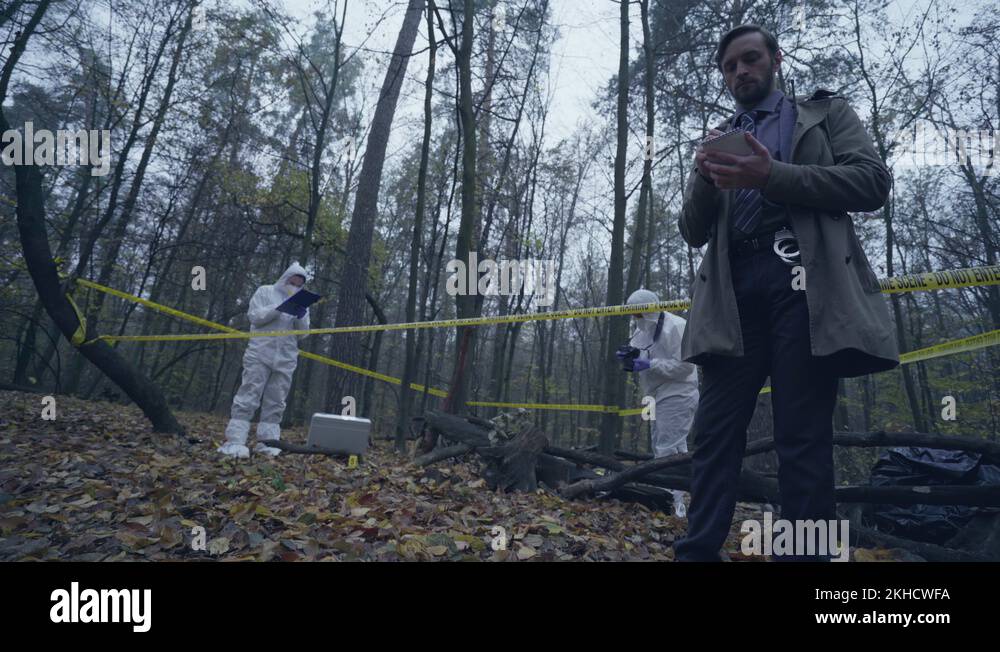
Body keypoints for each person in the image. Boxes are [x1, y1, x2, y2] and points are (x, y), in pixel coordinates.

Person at [673, 25, 899, 561]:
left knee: (802, 435)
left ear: (775, 59)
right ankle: (698, 552)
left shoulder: (823, 116)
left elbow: (871, 184)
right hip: (732, 294)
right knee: (713, 433)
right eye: (729, 67)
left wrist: (772, 174)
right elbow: (691, 231)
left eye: (750, 60)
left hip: (805, 282)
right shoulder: (720, 138)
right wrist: (705, 174)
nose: (740, 73)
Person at [619, 289, 700, 517]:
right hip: (653, 394)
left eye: (639, 314)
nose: (636, 319)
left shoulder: (675, 326)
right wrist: (631, 359)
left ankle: (670, 505)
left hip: (679, 392)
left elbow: (686, 366)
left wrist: (648, 364)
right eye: (632, 315)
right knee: (667, 446)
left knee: (667, 448)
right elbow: (641, 355)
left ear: (649, 311)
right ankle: (683, 499)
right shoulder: (640, 331)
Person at [219, 262, 311, 459]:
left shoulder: (301, 301)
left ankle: (268, 443)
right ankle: (234, 441)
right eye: (292, 282)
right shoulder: (265, 291)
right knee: (249, 394)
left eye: (298, 284)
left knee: (276, 400)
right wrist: (279, 308)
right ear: (285, 278)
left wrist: (300, 315)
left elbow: (303, 334)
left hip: (286, 357)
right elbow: (255, 317)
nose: (294, 287)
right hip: (260, 353)